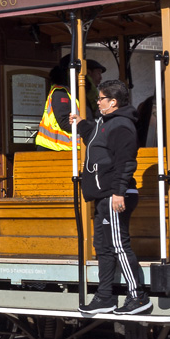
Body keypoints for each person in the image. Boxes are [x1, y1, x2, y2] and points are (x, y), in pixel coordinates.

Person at [70, 79, 149, 315]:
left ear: (112, 102)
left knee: (118, 245)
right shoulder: (105, 123)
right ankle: (105, 297)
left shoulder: (121, 125)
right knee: (103, 247)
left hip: (115, 196)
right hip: (103, 197)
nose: (98, 102)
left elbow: (126, 161)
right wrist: (81, 123)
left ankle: (138, 297)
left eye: (101, 98)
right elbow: (95, 138)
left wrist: (118, 192)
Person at [35, 55, 104, 151]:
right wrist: (89, 126)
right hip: (54, 149)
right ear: (70, 72)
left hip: (71, 149)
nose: (82, 75)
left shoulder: (78, 94)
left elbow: (92, 116)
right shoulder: (60, 92)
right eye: (78, 72)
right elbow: (64, 122)